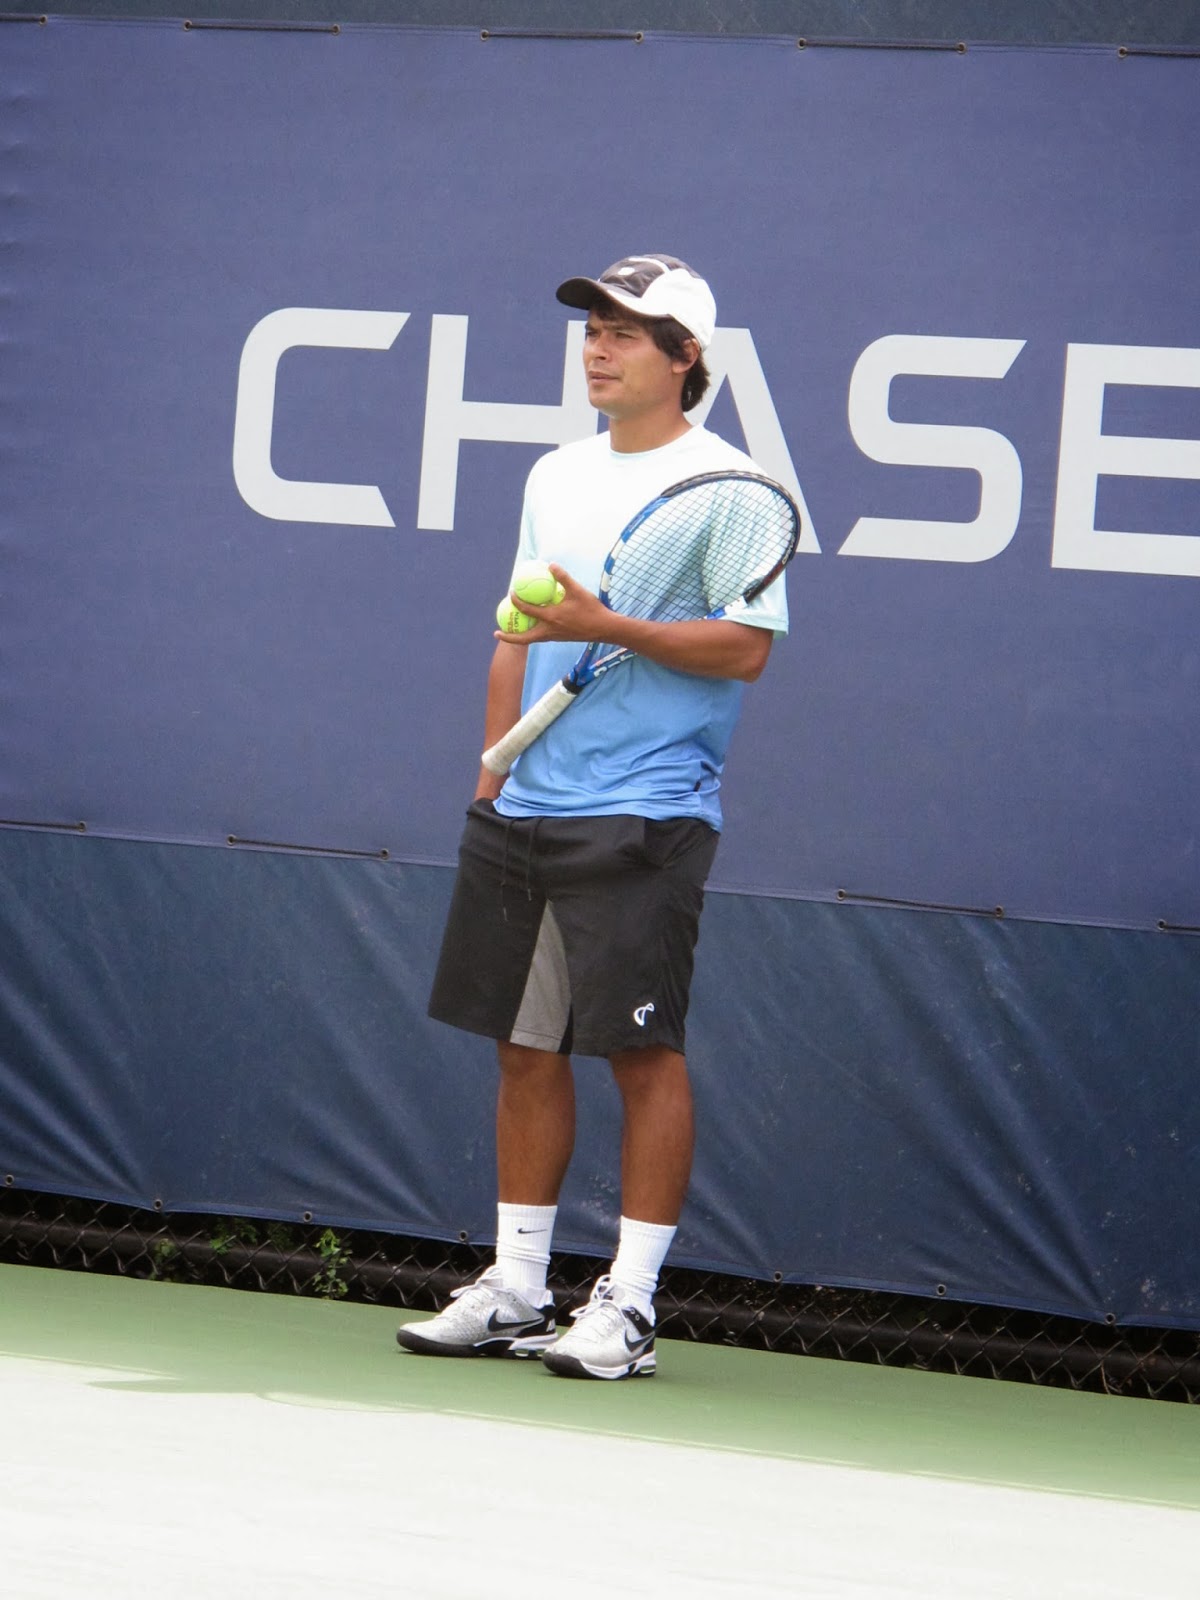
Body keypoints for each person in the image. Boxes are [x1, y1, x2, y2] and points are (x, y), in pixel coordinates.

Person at [398, 253, 789, 1380]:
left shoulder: (730, 487)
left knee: (641, 1053)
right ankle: (520, 1286)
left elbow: (745, 649)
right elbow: (518, 629)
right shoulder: (556, 473)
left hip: (646, 809)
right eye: (593, 328)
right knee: (525, 1048)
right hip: (525, 802)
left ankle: (630, 1304)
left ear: (684, 358)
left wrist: (609, 626)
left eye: (625, 332)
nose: (599, 348)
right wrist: (491, 778)